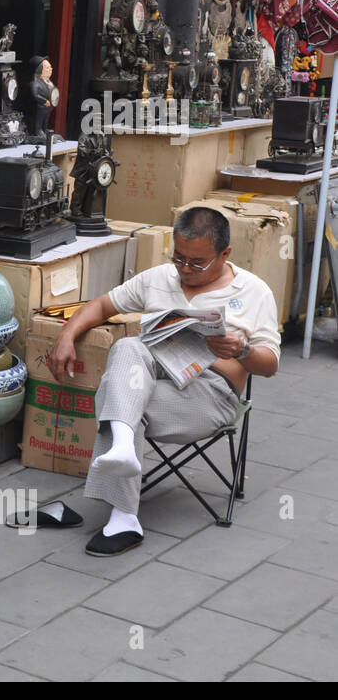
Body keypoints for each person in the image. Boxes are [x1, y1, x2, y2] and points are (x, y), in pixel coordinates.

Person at [44, 207, 279, 556]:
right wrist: (67, 336)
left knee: (118, 397)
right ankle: (124, 510)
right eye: (179, 258)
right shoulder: (159, 278)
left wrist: (241, 349)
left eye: (196, 263)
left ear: (225, 253)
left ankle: (123, 467)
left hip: (210, 395)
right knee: (127, 346)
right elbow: (102, 306)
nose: (185, 269)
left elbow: (270, 365)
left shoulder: (254, 291)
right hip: (152, 377)